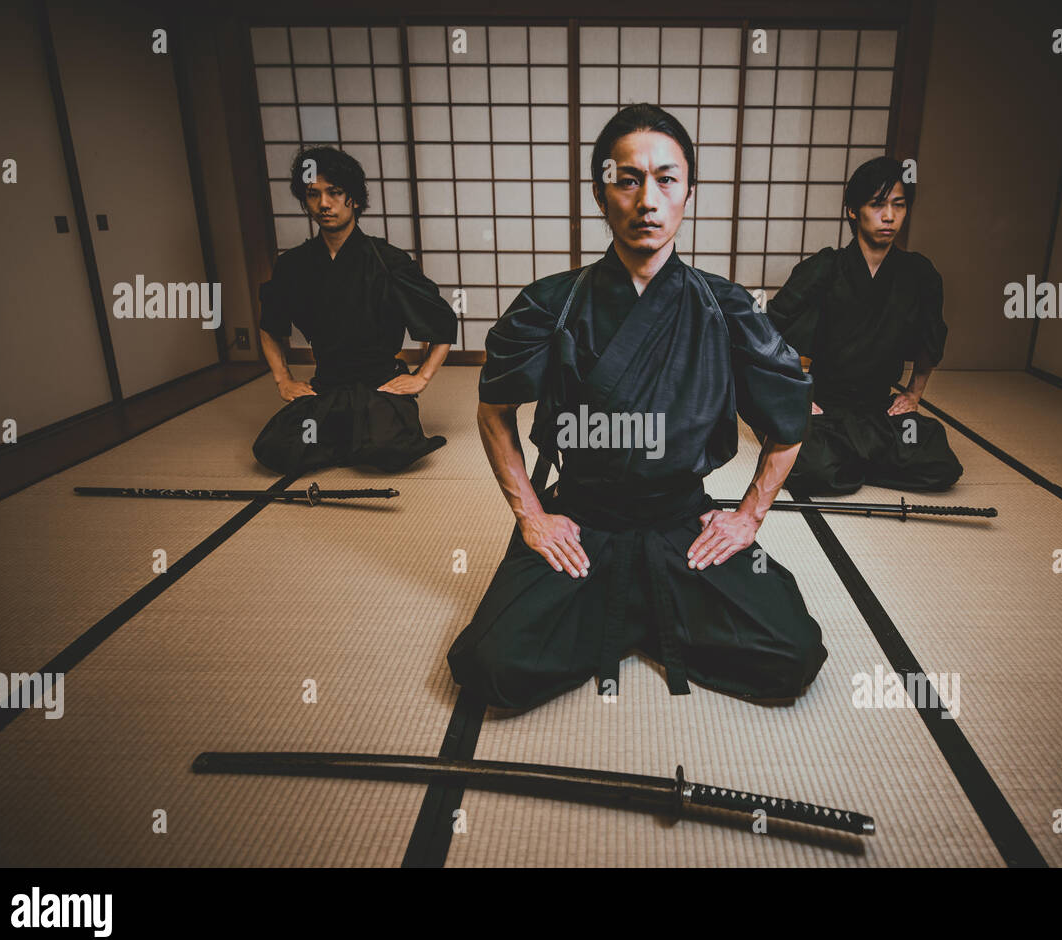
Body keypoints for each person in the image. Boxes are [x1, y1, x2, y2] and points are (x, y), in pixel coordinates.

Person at [447, 104, 827, 712]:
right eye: (627, 179)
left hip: (684, 522)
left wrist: (747, 517)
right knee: (492, 668)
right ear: (601, 194)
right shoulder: (551, 305)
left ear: (688, 193)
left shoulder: (726, 308)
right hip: (582, 521)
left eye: (666, 179)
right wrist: (533, 517)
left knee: (792, 654)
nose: (647, 199)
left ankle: (627, 610)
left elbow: (789, 422)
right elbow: (493, 411)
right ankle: (650, 610)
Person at [253, 146, 457, 475]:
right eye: (313, 194)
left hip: (380, 386)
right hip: (327, 386)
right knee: (276, 449)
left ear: (355, 199)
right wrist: (283, 380)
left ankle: (353, 433)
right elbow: (269, 327)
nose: (323, 204)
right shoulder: (293, 266)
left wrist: (421, 377)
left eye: (334, 192)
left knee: (387, 448)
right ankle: (344, 432)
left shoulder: (388, 261)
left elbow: (443, 323)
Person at [767, 157, 963, 496]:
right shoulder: (823, 269)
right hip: (823, 408)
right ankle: (867, 461)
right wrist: (794, 396)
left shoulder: (918, 274)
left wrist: (913, 394)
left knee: (939, 462)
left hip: (879, 411)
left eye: (898, 206)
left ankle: (855, 461)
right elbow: (770, 330)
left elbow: (932, 337)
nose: (889, 216)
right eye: (877, 205)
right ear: (853, 211)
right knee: (810, 466)